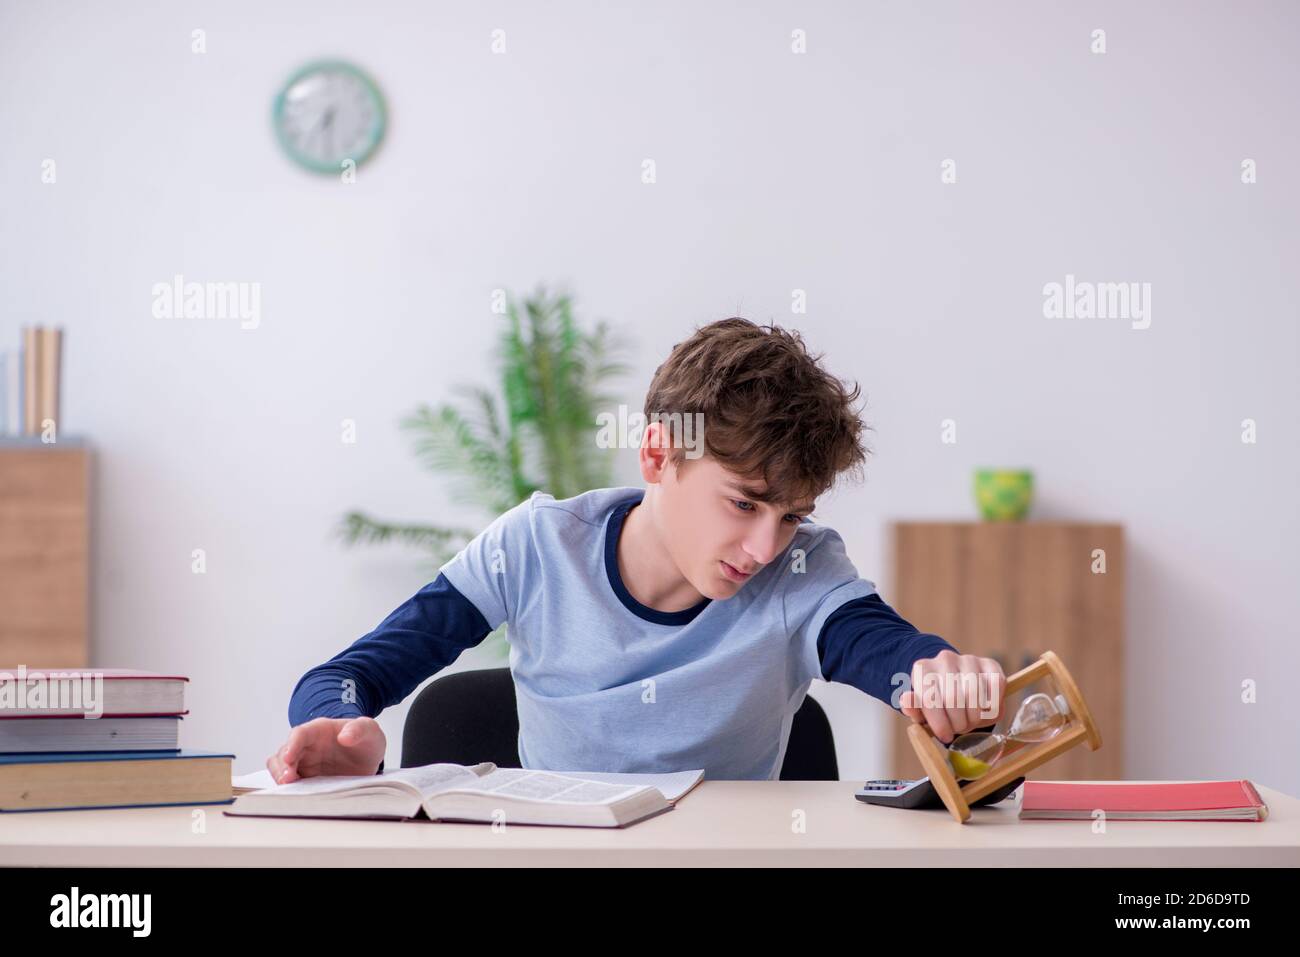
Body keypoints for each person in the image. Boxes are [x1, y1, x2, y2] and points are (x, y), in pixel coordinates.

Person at [268, 318, 1005, 784]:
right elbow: (349, 674)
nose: (763, 545)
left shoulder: (801, 569)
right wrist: (339, 725)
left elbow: (883, 645)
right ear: (658, 454)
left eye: (790, 515)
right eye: (745, 501)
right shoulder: (537, 546)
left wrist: (934, 675)